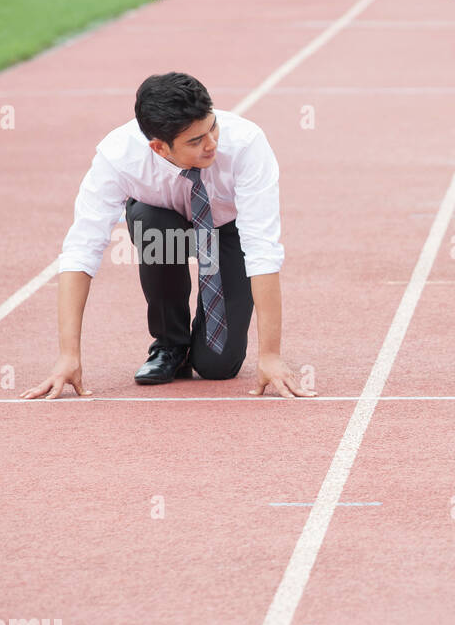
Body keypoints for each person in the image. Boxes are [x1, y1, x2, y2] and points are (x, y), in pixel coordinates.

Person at [21, 72, 315, 399]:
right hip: (163, 223)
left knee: (218, 367)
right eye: (195, 141)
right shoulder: (119, 157)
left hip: (227, 229)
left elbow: (262, 248)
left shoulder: (246, 144)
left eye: (212, 126)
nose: (212, 143)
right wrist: (68, 356)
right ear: (159, 148)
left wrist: (270, 355)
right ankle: (169, 344)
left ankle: (203, 351)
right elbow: (81, 250)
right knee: (151, 222)